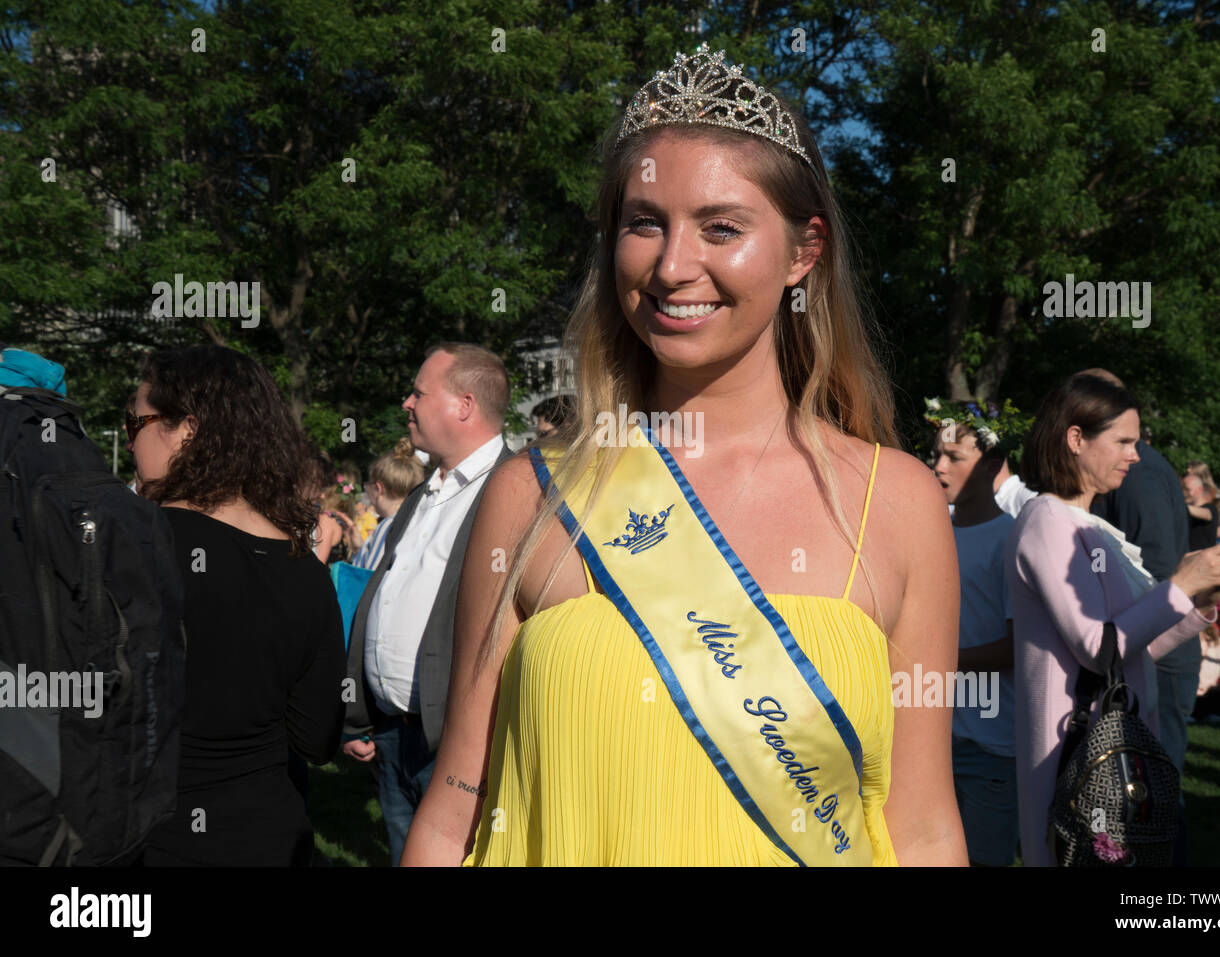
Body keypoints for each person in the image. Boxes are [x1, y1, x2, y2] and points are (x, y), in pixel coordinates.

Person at [402, 43, 965, 866]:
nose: (672, 267)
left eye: (722, 227)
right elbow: (456, 809)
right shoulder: (531, 494)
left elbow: (921, 827)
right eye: (645, 223)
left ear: (804, 252)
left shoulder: (898, 501)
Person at [1006, 372, 1220, 866]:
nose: (1135, 455)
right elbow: (1098, 648)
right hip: (1074, 753)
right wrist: (1178, 587)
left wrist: (1198, 596)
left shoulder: (1088, 525)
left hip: (1114, 748)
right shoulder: (1049, 521)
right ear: (1076, 439)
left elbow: (1133, 648)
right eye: (1123, 441)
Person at [132, 345, 345, 866]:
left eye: (135, 421)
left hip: (147, 843)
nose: (130, 437)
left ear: (187, 428)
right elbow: (317, 738)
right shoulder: (306, 571)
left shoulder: (133, 547)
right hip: (269, 839)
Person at [341, 343, 513, 866]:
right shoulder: (423, 494)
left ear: (464, 405)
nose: (405, 402)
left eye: (418, 392)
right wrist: (357, 715)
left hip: (458, 748)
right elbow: (381, 594)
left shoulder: (517, 489)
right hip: (393, 737)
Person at [1079, 368, 1202, 864]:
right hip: (1149, 644)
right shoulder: (1139, 470)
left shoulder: (1140, 476)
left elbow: (1154, 573)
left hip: (1160, 650)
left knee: (1156, 789)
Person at [931, 418, 1018, 866]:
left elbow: (1015, 647)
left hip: (989, 743)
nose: (939, 467)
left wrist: (936, 663)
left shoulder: (1011, 540)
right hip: (929, 736)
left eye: (954, 458)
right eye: (936, 455)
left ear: (992, 465)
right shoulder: (929, 529)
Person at [353, 438, 426, 572]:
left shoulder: (388, 526)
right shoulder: (417, 521)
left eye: (368, 484)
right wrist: (360, 548)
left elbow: (369, 578)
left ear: (379, 488)